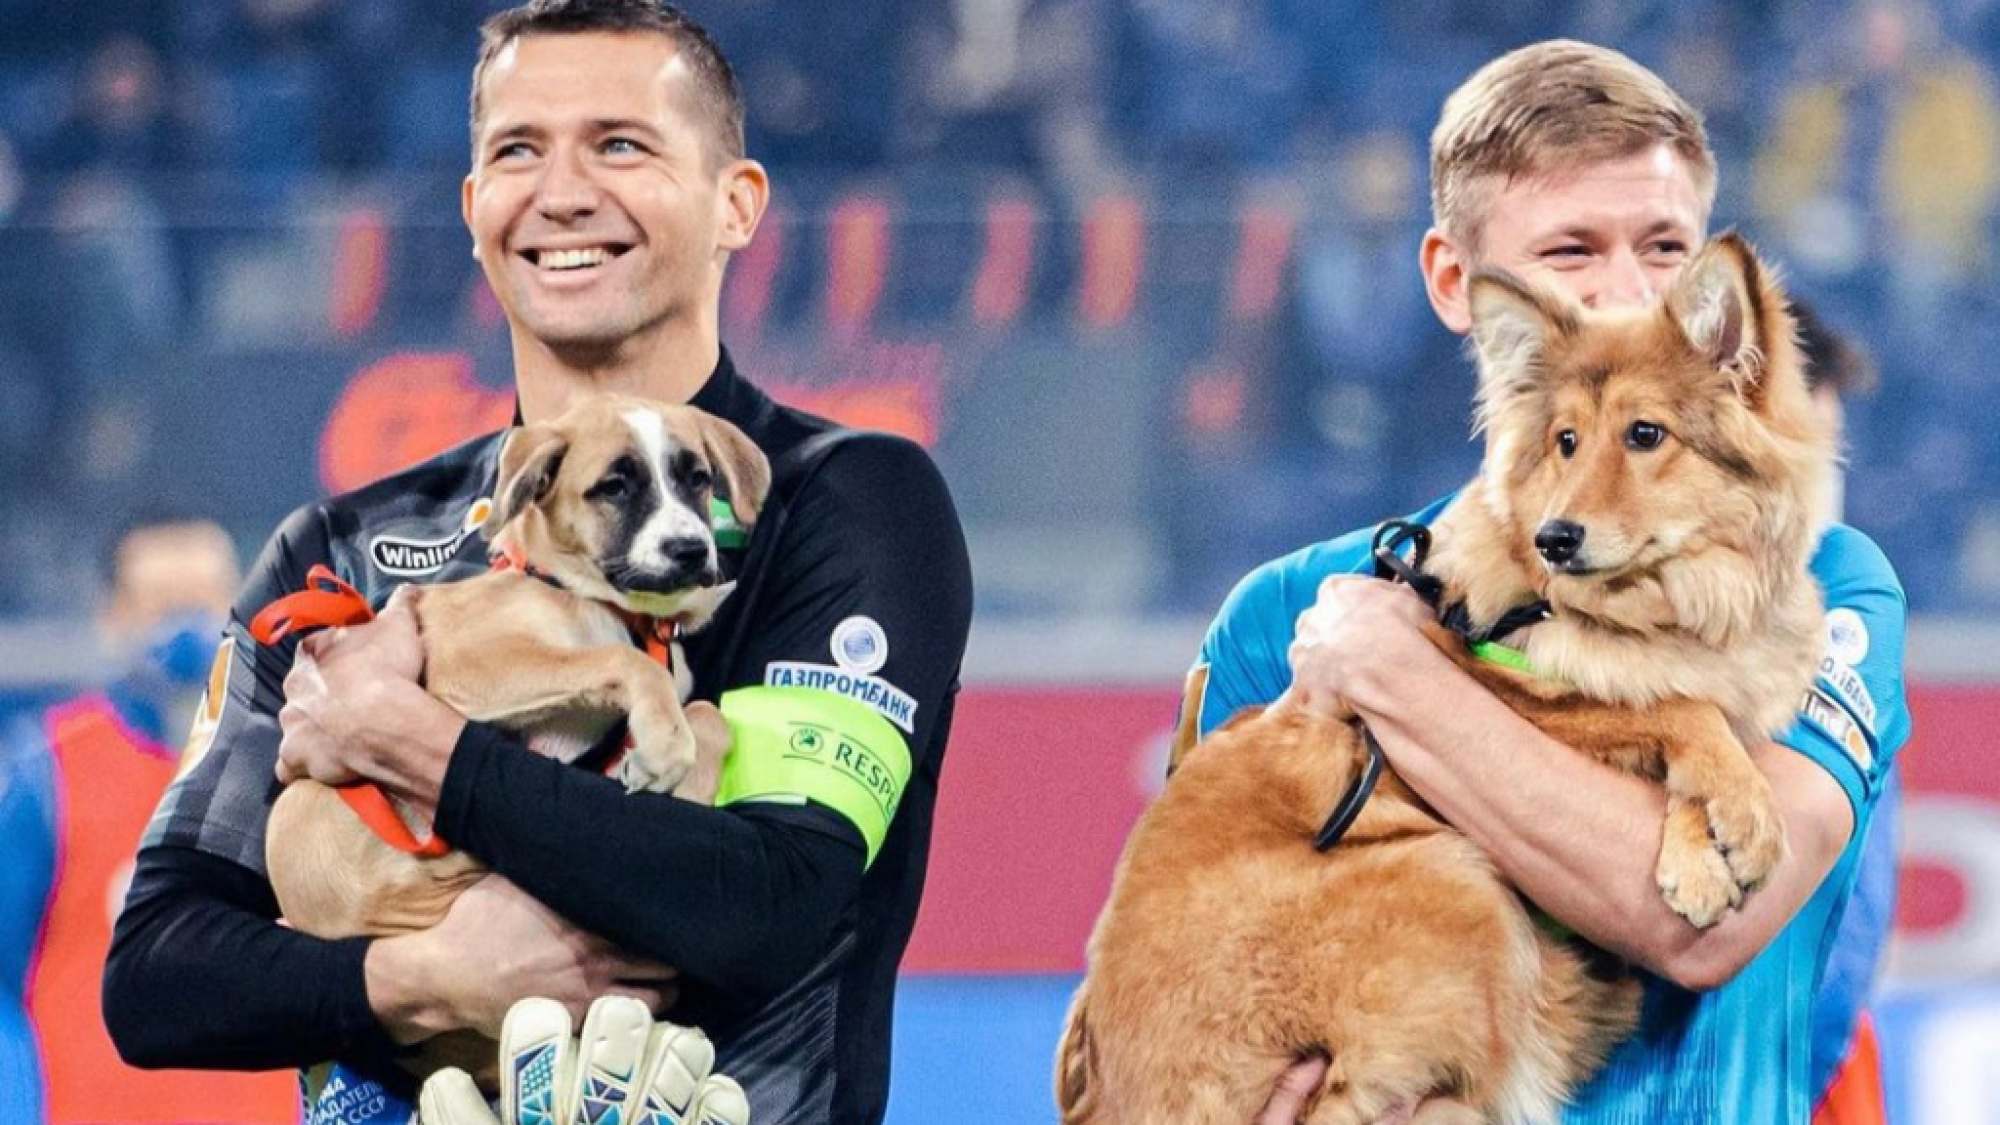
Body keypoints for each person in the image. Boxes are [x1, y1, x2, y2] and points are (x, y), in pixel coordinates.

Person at [101, 4, 974, 1125]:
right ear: (473, 210)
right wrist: (424, 976)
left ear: (736, 204)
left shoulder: (844, 501)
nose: (562, 193)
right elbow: (157, 973)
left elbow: (771, 903)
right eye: (519, 150)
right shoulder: (340, 551)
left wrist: (409, 738)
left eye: (620, 144)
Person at [1206, 41, 1909, 1123]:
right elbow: (1205, 1005)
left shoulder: (1827, 589)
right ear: (1456, 284)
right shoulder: (1280, 616)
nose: (1627, 291)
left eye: (1664, 246)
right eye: (1570, 250)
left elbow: (1707, 920)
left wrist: (1397, 676)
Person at [0, 513, 297, 1122]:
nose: (189, 625)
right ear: (113, 616)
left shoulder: (303, 756)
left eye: (206, 601)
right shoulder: (46, 769)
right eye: (162, 603)